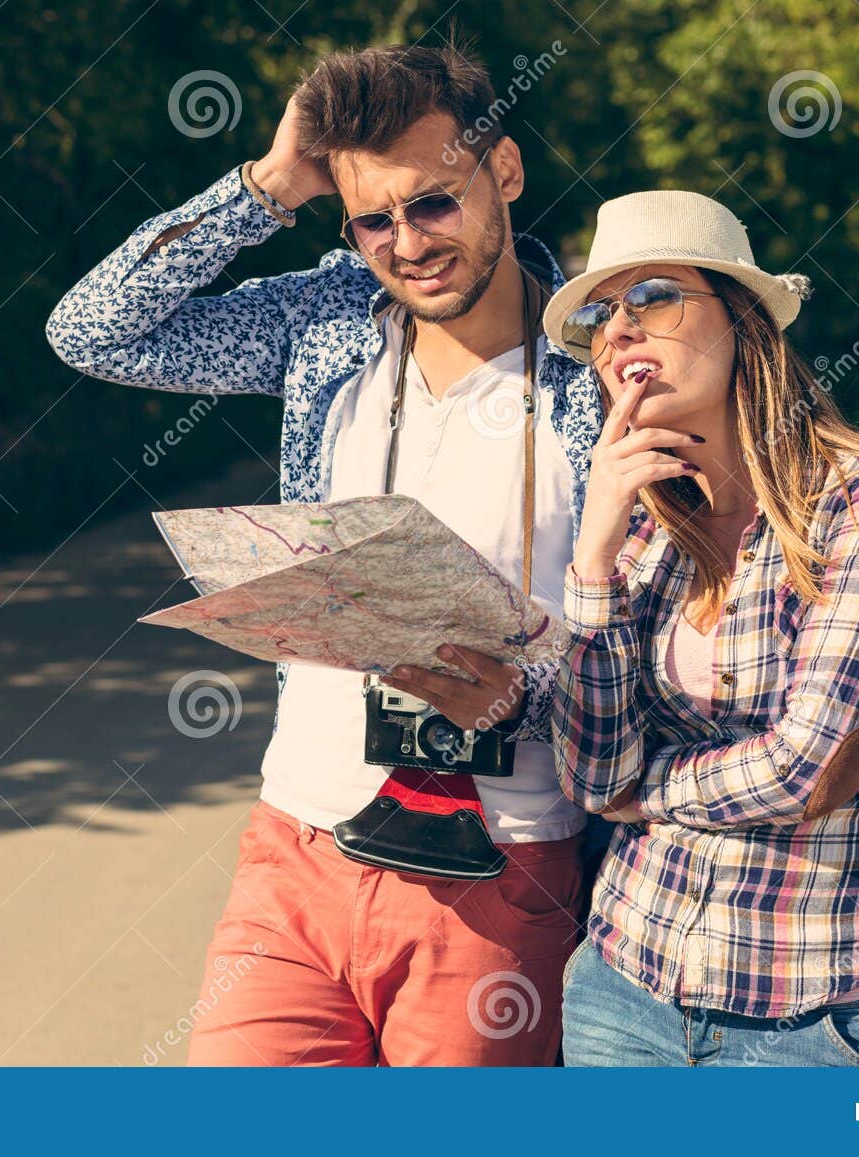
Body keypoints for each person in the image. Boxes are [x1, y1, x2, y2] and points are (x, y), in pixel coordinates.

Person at [45, 43, 607, 1065]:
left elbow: (664, 636)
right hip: (299, 842)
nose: (408, 242)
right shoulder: (327, 322)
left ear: (506, 172)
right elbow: (94, 333)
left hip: (502, 865)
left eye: (433, 202)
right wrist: (267, 187)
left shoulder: (604, 368)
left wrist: (530, 699)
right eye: (373, 218)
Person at [545, 189, 859, 1066]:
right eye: (598, 313)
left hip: (818, 1013)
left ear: (743, 322)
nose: (618, 329)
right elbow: (592, 774)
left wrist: (647, 795)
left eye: (654, 297)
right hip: (623, 988)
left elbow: (806, 770)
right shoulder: (637, 530)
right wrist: (591, 557)